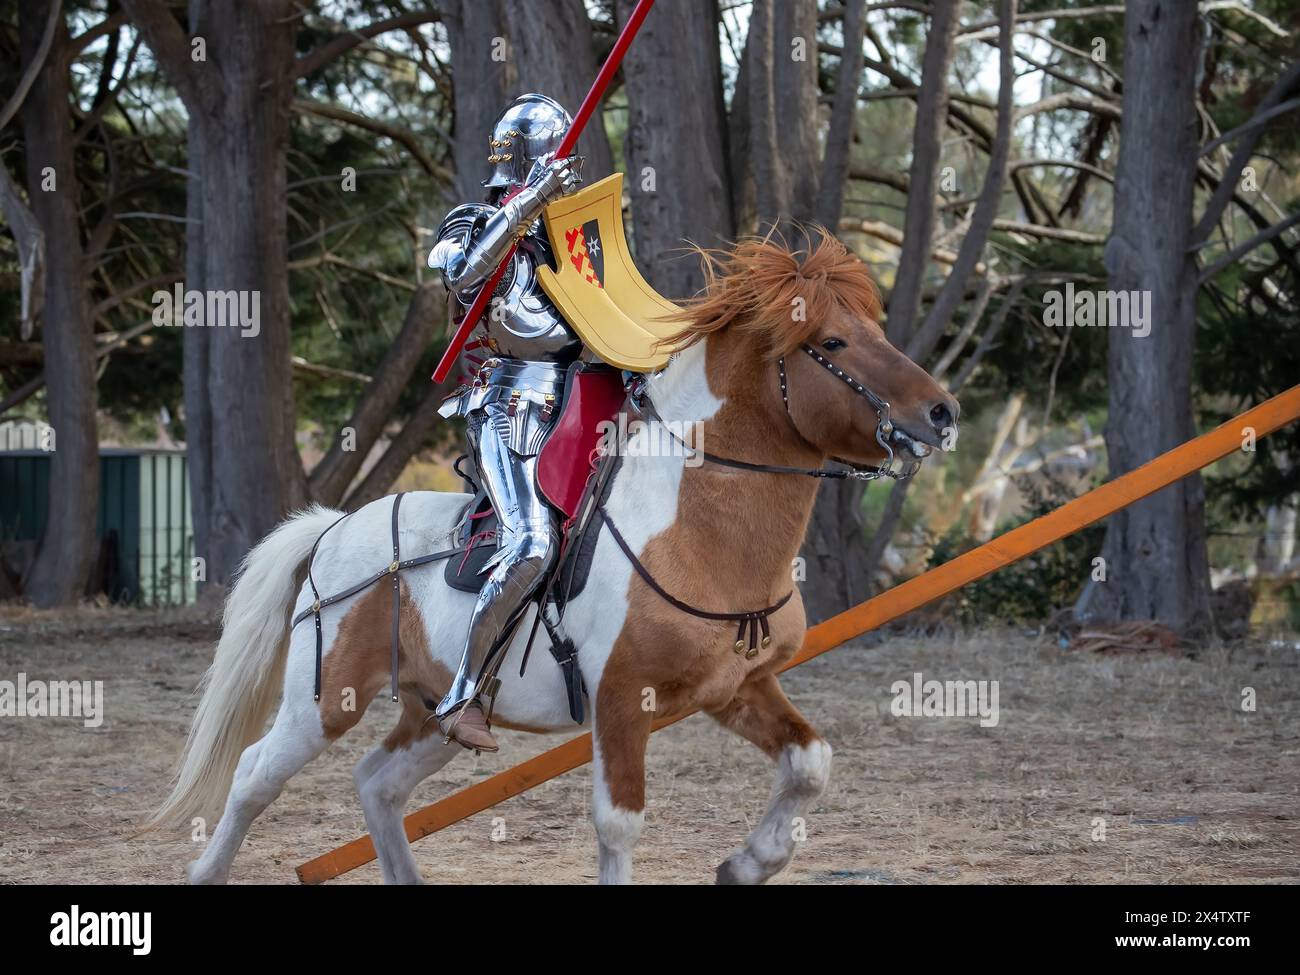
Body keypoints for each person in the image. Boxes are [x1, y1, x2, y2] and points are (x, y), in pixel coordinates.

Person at [426, 93, 585, 752]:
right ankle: (462, 692)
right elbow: (461, 276)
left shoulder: (571, 235)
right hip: (512, 402)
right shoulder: (476, 219)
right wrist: (526, 202)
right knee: (534, 543)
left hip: (585, 403)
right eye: (550, 163)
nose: (560, 172)